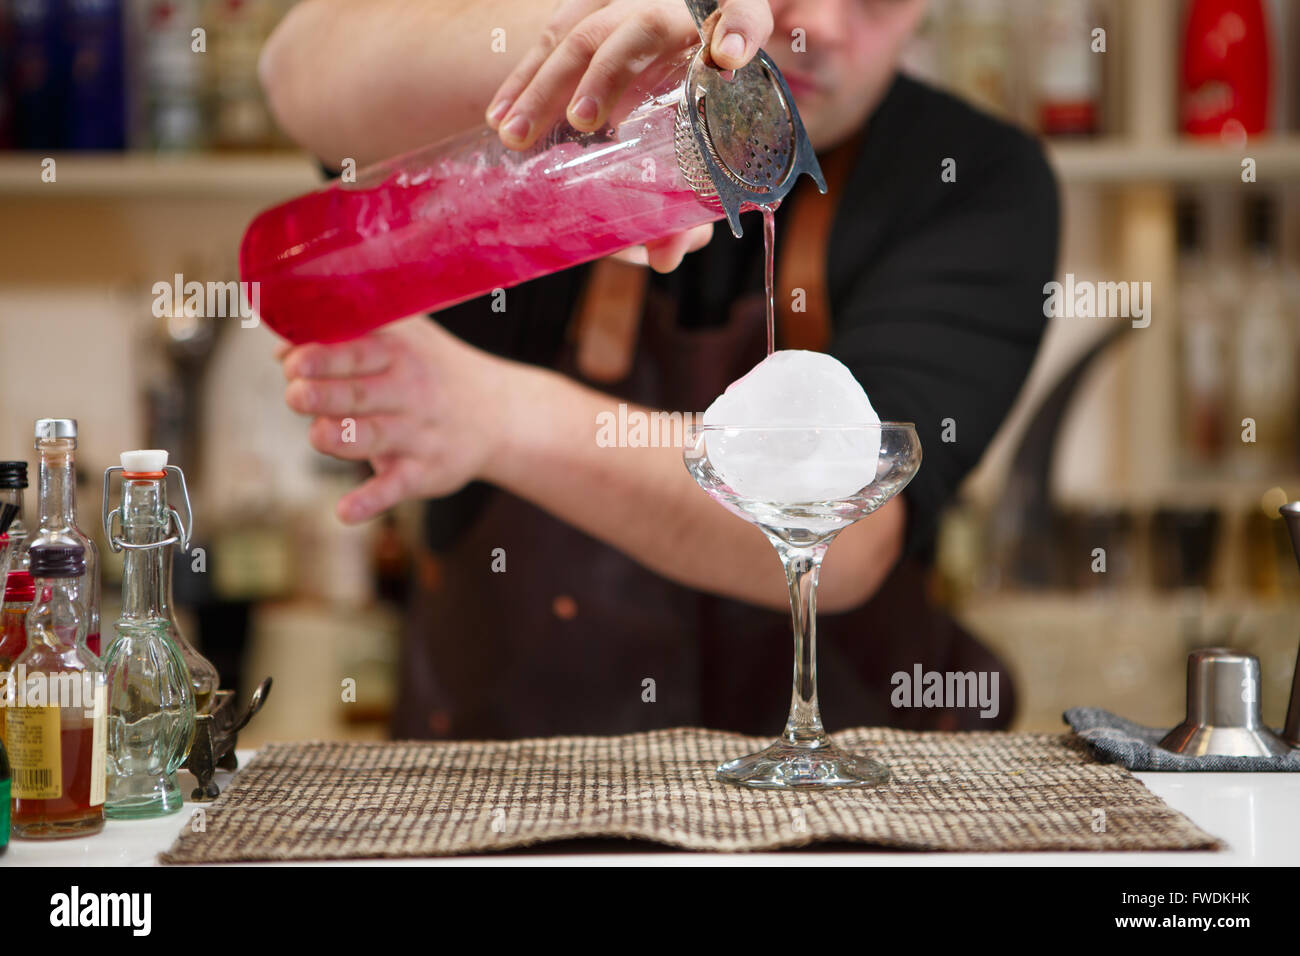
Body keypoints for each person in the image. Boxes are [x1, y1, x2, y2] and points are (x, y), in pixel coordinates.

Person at [260, 0, 1059, 738]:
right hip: (512, 798)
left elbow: (848, 529)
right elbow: (294, 74)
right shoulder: (597, 126)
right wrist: (580, 36)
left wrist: (493, 417)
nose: (822, 24)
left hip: (842, 811)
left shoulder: (975, 178)